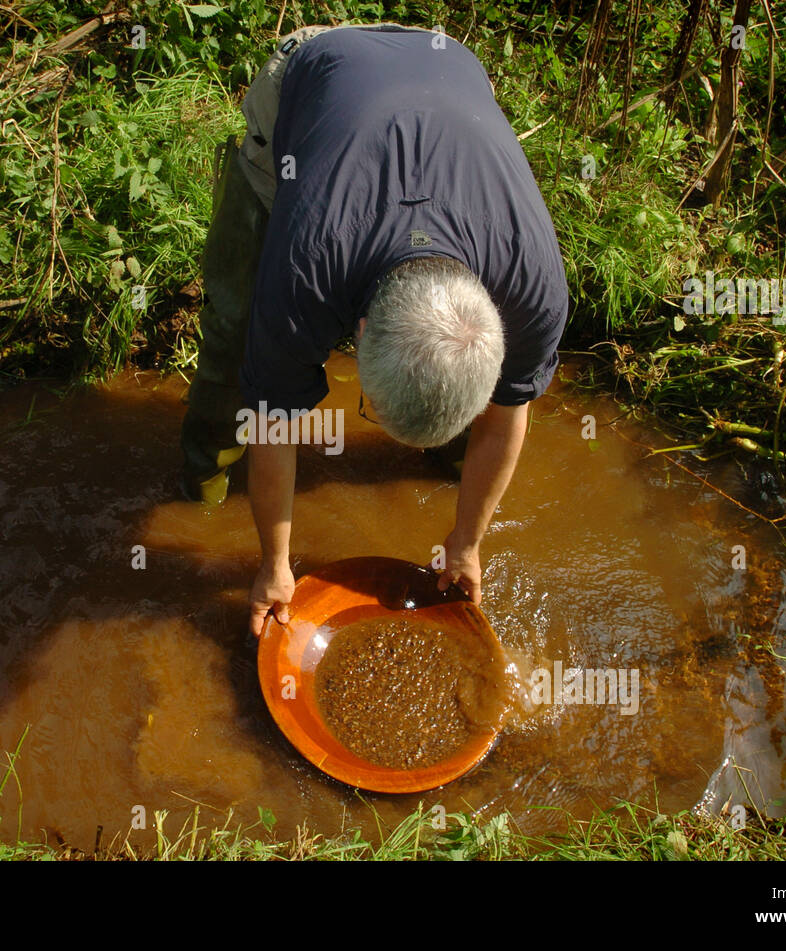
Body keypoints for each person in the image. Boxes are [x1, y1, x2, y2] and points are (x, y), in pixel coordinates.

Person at [178, 23, 568, 637]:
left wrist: (467, 543)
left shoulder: (534, 289)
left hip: (448, 69)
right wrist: (274, 567)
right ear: (357, 331)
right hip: (318, 73)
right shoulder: (306, 264)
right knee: (235, 336)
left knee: (448, 396)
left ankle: (452, 474)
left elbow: (509, 407)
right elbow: (272, 417)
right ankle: (202, 476)